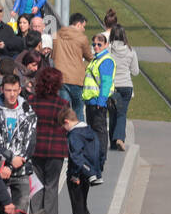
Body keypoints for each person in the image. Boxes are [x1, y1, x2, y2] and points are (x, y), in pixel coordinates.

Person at [29, 67, 69, 214]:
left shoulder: (31, 101)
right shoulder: (63, 104)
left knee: (37, 187)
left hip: (35, 150)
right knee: (51, 187)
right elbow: (67, 127)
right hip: (55, 151)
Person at [0, 73, 37, 211]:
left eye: (15, 90)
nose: (12, 94)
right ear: (2, 90)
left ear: (20, 90)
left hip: (21, 169)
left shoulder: (27, 111)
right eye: (8, 90)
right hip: (0, 169)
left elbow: (29, 142)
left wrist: (14, 164)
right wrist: (8, 161)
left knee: (21, 213)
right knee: (1, 212)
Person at [62, 106, 101, 214]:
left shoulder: (74, 135)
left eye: (63, 126)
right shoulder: (89, 131)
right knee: (84, 205)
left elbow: (76, 157)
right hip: (88, 173)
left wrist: (75, 174)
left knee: (77, 206)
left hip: (77, 175)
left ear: (67, 122)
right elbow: (98, 152)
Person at [82, 32, 115, 174]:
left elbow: (106, 83)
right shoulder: (96, 60)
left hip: (98, 103)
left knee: (99, 132)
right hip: (91, 102)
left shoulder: (105, 61)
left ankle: (100, 160)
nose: (96, 47)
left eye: (99, 44)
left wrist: (101, 102)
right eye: (94, 44)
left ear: (106, 45)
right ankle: (94, 159)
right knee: (94, 132)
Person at [54, 12, 94, 111]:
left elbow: (53, 54)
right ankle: (78, 126)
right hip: (76, 78)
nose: (84, 30)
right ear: (78, 25)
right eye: (83, 27)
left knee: (64, 110)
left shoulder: (56, 35)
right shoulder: (82, 38)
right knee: (78, 109)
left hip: (61, 77)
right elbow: (89, 56)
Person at [107, 24, 137, 152]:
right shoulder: (130, 51)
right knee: (122, 114)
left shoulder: (108, 50)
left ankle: (113, 143)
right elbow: (135, 71)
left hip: (113, 87)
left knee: (113, 113)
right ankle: (119, 138)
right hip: (126, 86)